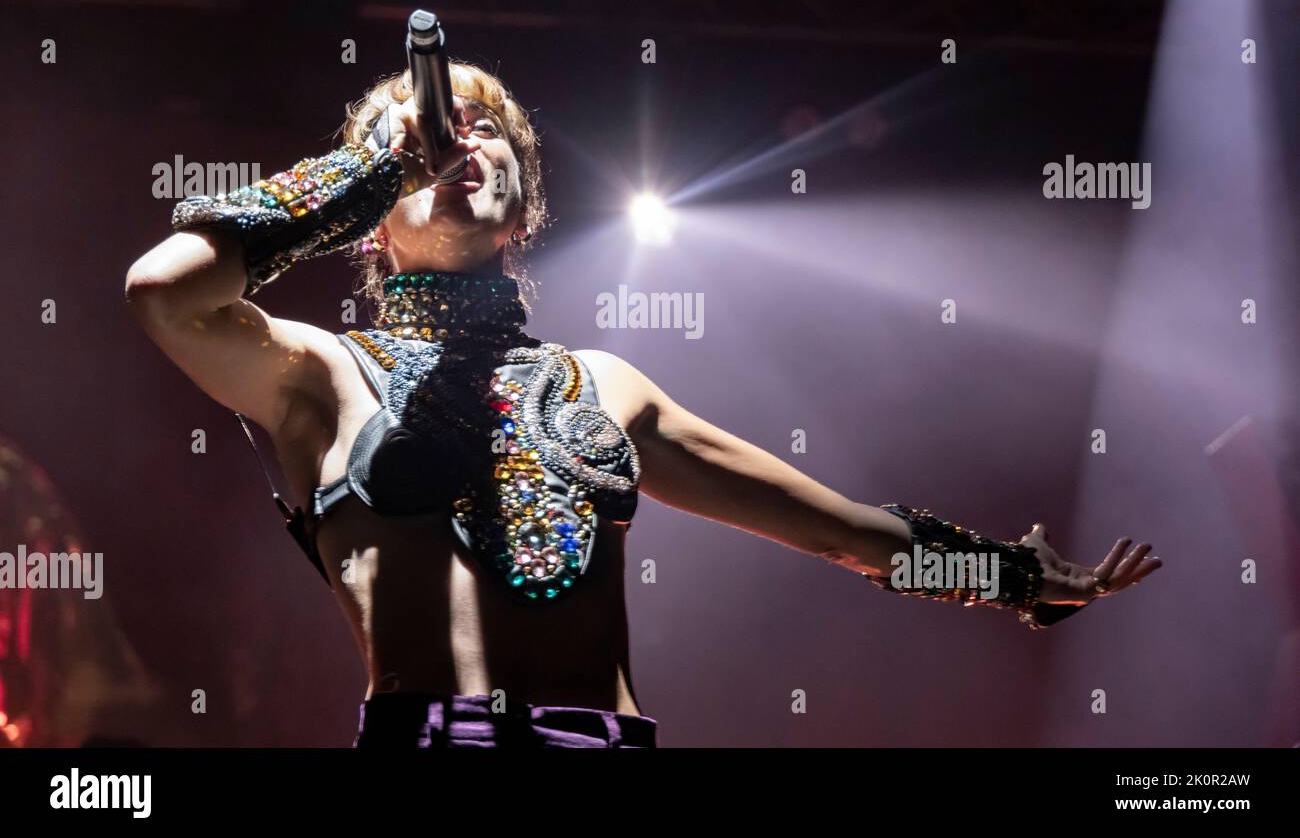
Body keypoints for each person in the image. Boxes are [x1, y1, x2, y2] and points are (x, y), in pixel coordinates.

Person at [124, 60, 1162, 748]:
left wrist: (1014, 576)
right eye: (422, 142)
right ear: (369, 220)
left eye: (481, 133)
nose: (453, 148)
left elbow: (845, 532)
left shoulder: (603, 387)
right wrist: (365, 163)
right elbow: (164, 292)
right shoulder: (314, 372)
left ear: (526, 201)